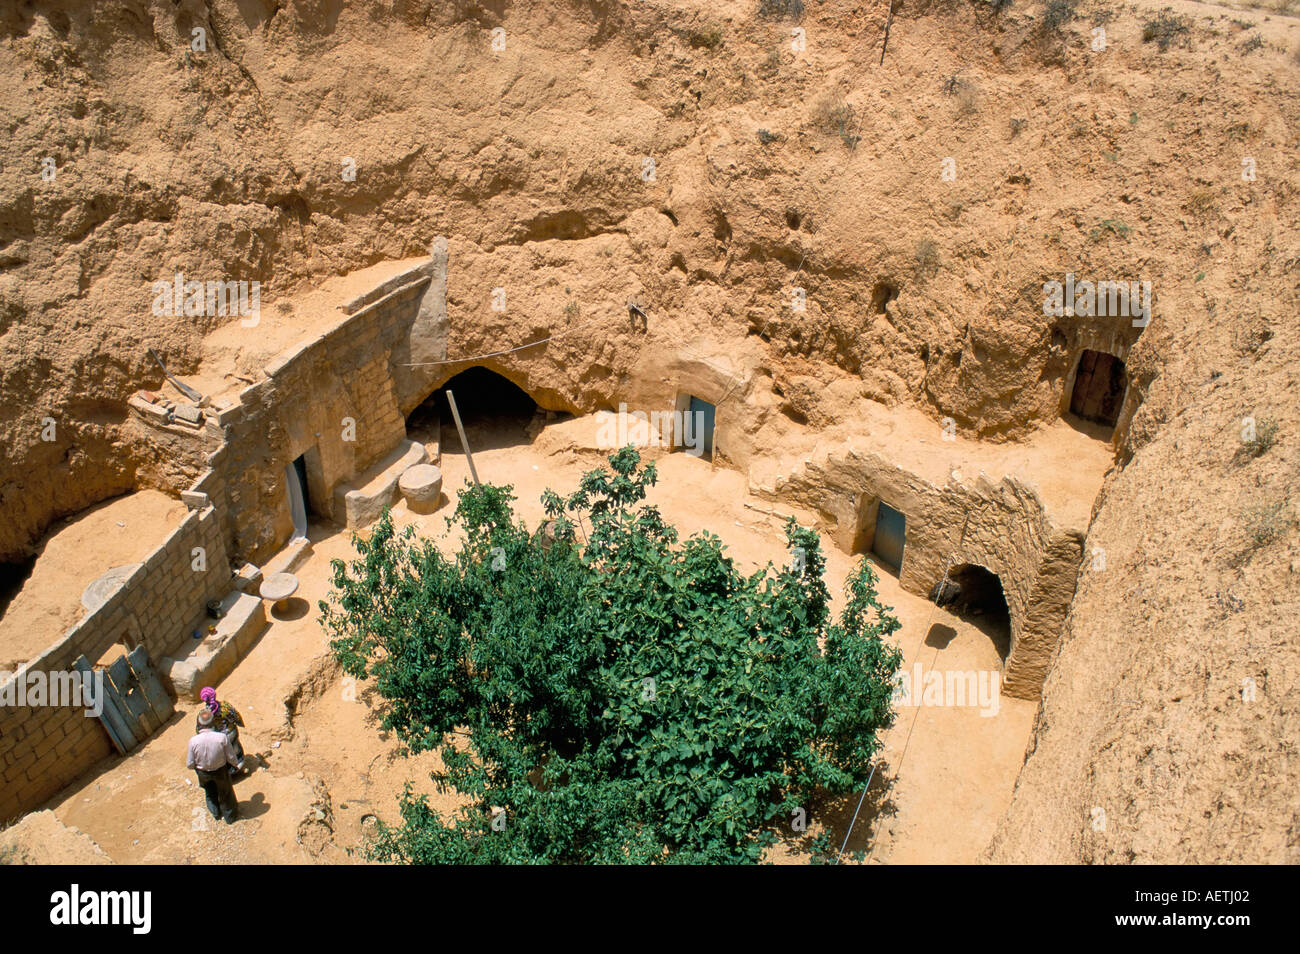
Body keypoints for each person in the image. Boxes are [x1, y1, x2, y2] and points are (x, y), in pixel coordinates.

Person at [186, 708, 240, 824]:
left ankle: (216, 814)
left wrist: (198, 767)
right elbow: (231, 756)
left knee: (210, 793)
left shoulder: (193, 741)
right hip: (220, 771)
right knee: (225, 793)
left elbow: (190, 764)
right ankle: (230, 817)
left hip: (203, 773)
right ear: (212, 722)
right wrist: (235, 765)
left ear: (199, 724)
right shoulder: (221, 738)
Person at [198, 687, 245, 775]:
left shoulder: (204, 714)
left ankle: (227, 772)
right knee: (235, 750)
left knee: (222, 754)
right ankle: (238, 767)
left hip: (216, 739)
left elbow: (199, 729)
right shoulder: (225, 706)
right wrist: (240, 723)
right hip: (230, 733)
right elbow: (235, 715)